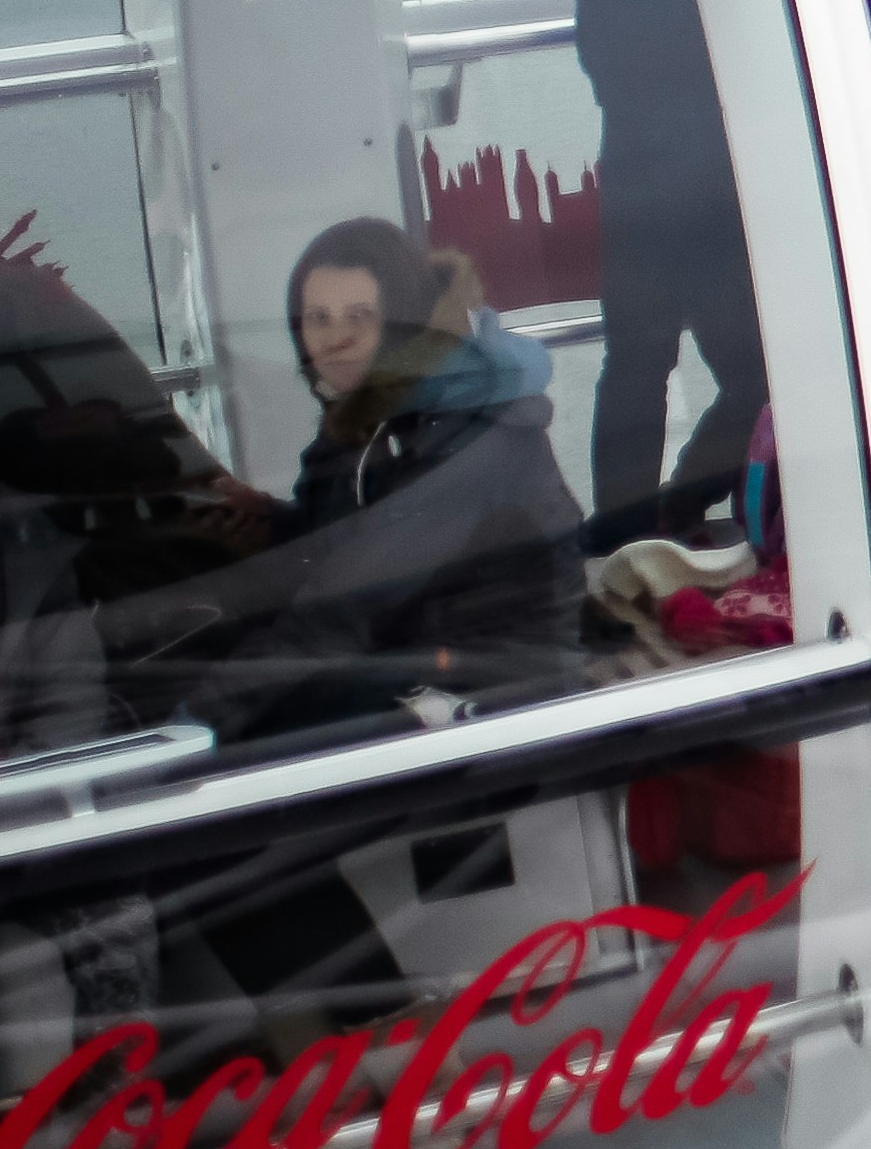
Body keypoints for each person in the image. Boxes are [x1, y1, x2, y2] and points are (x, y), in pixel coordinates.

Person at [116, 224, 583, 753]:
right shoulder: (375, 409)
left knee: (248, 750)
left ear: (400, 321)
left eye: (359, 317)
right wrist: (275, 522)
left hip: (503, 695)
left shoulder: (460, 432)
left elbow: (343, 608)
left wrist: (186, 730)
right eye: (318, 318)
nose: (333, 340)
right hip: (407, 645)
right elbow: (357, 543)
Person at [542, 0, 767, 549]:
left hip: (632, 131)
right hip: (715, 136)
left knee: (635, 360)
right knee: (760, 371)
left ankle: (619, 543)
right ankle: (681, 502)